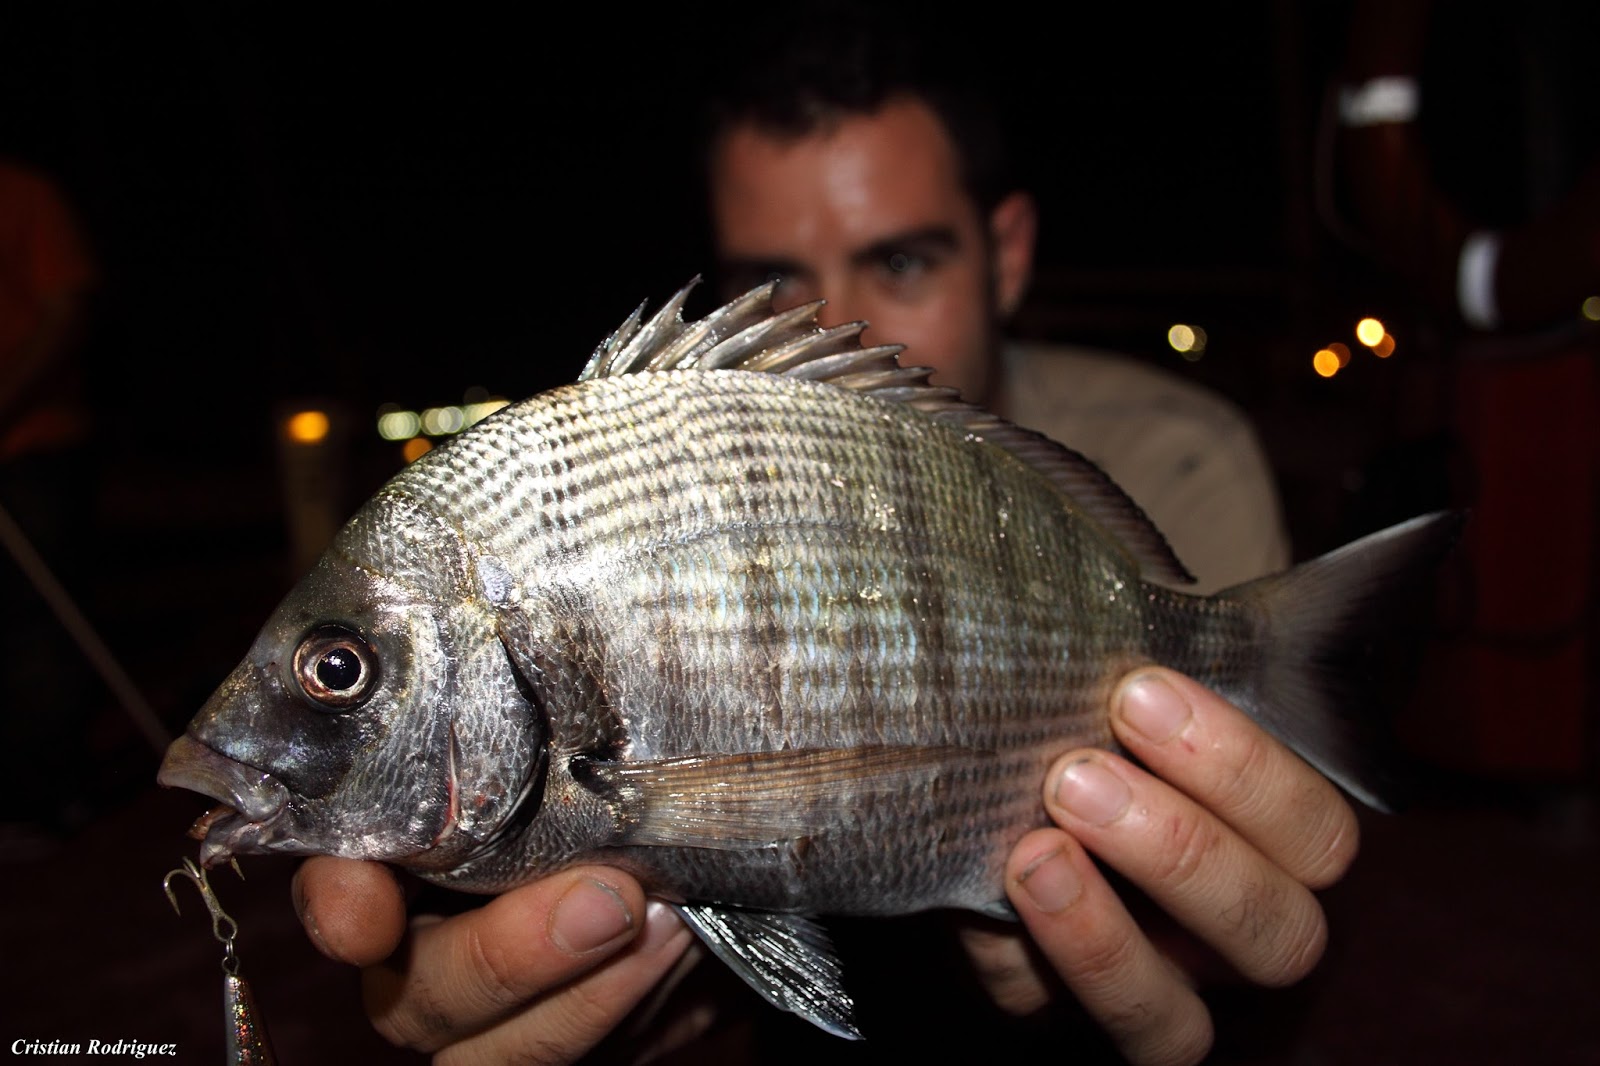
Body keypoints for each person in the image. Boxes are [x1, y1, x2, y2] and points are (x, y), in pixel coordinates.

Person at [292, 10, 1357, 1065]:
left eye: (900, 262)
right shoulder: (668, 467)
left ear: (1008, 250)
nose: (844, 328)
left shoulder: (1185, 454)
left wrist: (1204, 930)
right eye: (776, 283)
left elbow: (1256, 884)